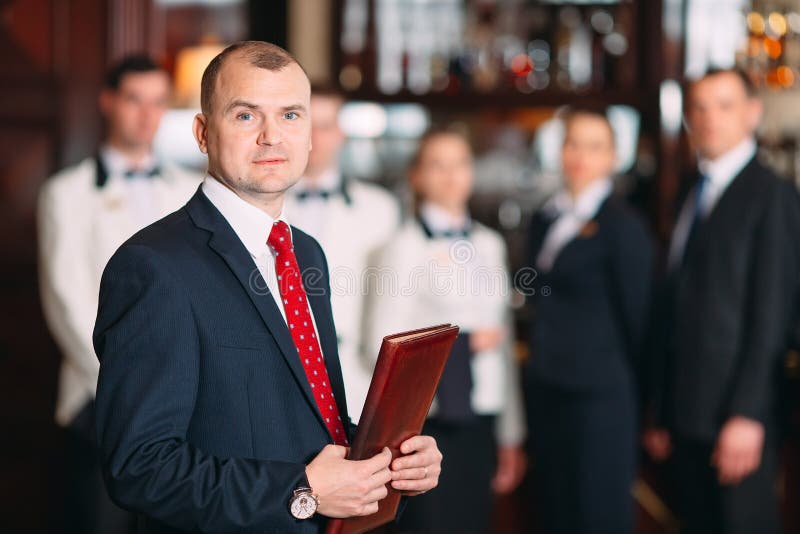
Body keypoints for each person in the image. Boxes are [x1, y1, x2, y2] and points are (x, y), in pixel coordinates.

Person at [92, 41, 442, 533]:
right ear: (202, 132)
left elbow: (306, 415)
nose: (272, 137)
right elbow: (139, 468)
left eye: (292, 115)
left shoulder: (306, 252)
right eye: (245, 116)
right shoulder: (152, 267)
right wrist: (302, 491)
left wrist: (392, 460)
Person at [37, 54, 200, 534]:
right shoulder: (64, 193)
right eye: (134, 100)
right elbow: (67, 301)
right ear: (108, 102)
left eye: (158, 102)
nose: (147, 115)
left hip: (186, 401)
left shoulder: (194, 190)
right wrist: (126, 383)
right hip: (97, 395)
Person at [643, 68, 800, 534]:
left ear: (753, 112)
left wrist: (748, 414)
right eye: (700, 107)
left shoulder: (772, 194)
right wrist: (662, 408)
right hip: (687, 414)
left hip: (738, 416)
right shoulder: (692, 190)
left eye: (725, 105)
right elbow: (676, 306)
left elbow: (772, 313)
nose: (710, 118)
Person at [363, 128, 527, 534]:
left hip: (483, 412)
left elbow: (503, 347)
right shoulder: (402, 247)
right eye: (437, 165)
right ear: (416, 176)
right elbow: (380, 344)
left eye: (459, 164)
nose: (451, 175)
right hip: (429, 421)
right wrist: (466, 344)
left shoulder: (491, 244)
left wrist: (511, 433)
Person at [524, 108, 654, 534]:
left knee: (597, 513)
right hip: (547, 386)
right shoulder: (545, 218)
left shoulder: (624, 226)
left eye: (595, 146)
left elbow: (639, 319)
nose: (581, 154)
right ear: (560, 151)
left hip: (600, 394)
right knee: (553, 510)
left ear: (614, 157)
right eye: (573, 143)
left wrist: (648, 401)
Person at [284, 86, 400, 421]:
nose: (315, 138)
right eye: (303, 123)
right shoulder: (259, 205)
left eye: (325, 126)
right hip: (279, 373)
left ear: (341, 134)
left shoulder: (382, 209)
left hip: (359, 379)